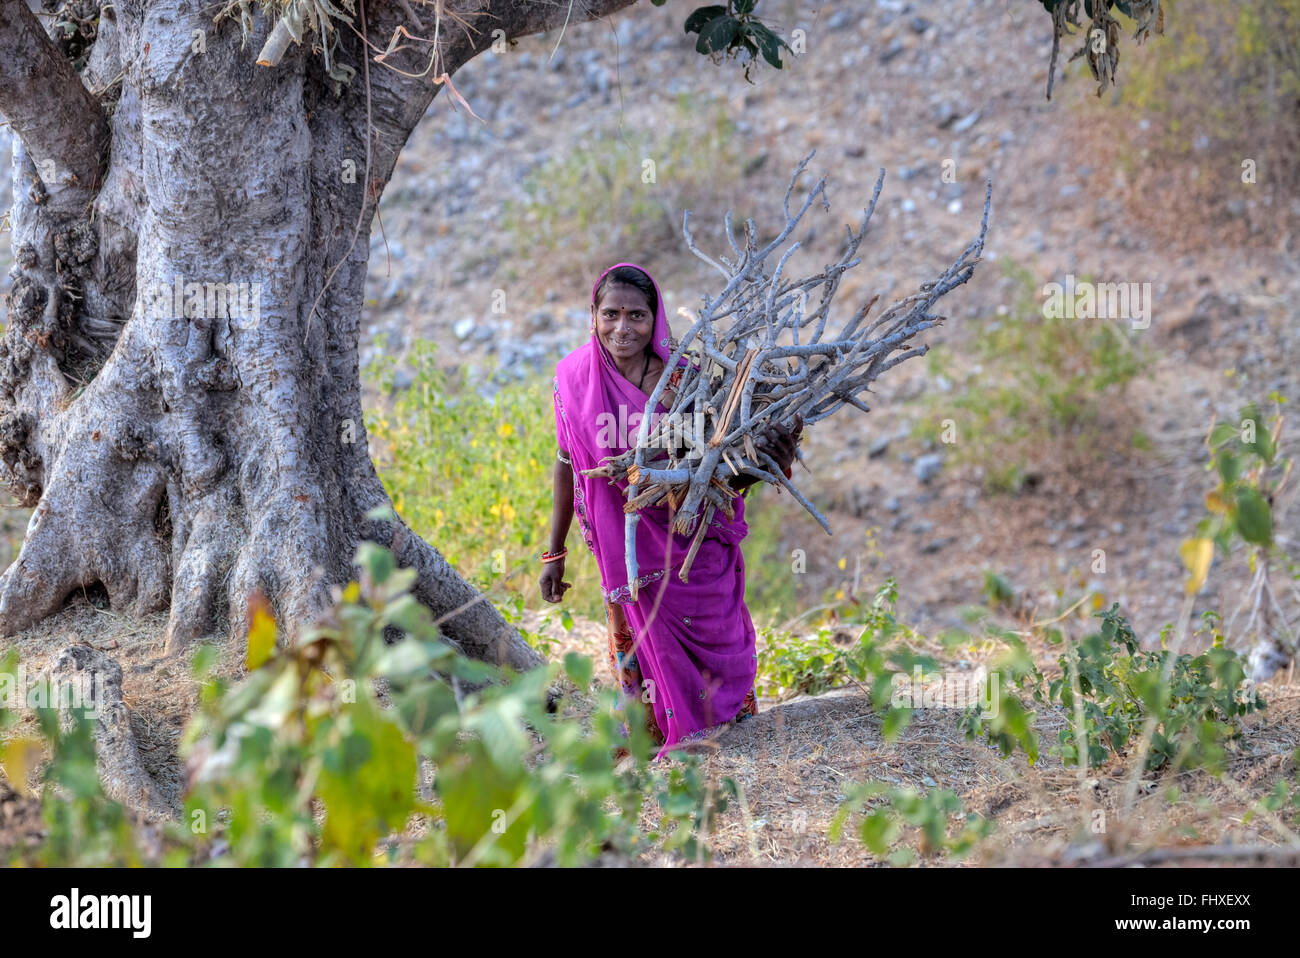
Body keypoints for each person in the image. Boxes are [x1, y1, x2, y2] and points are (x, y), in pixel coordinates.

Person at [541, 262, 799, 760]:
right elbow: (565, 463)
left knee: (715, 636)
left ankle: (727, 732)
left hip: (693, 542)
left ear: (655, 318)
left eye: (636, 315)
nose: (623, 328)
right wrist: (554, 554)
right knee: (644, 645)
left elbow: (723, 467)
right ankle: (657, 735)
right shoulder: (573, 378)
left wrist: (770, 459)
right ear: (592, 316)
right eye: (610, 314)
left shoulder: (688, 379)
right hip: (628, 552)